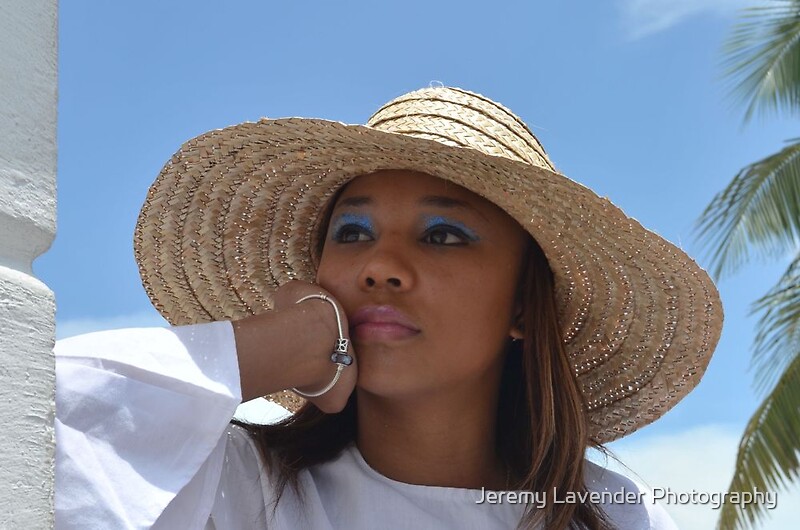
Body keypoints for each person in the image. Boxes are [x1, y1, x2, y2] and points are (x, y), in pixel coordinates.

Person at [55, 86, 722, 529]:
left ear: (523, 304)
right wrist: (281, 348)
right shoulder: (245, 490)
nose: (379, 266)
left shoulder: (612, 514)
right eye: (352, 234)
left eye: (442, 236)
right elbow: (32, 418)